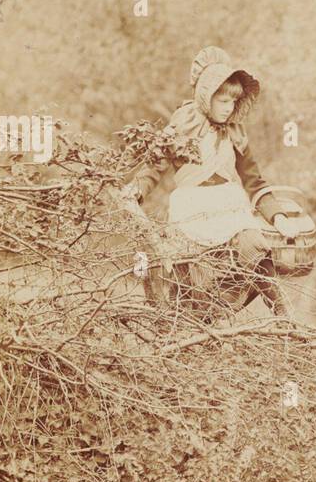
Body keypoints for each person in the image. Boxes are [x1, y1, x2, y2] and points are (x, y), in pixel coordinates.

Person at [117, 46, 304, 315]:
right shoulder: (182, 125)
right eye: (223, 101)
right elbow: (154, 166)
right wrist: (136, 191)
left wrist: (278, 217)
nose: (229, 109)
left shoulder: (236, 134)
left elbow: (254, 181)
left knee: (257, 247)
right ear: (207, 97)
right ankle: (187, 321)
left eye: (233, 102)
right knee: (179, 271)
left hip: (230, 206)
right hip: (192, 208)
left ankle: (282, 315)